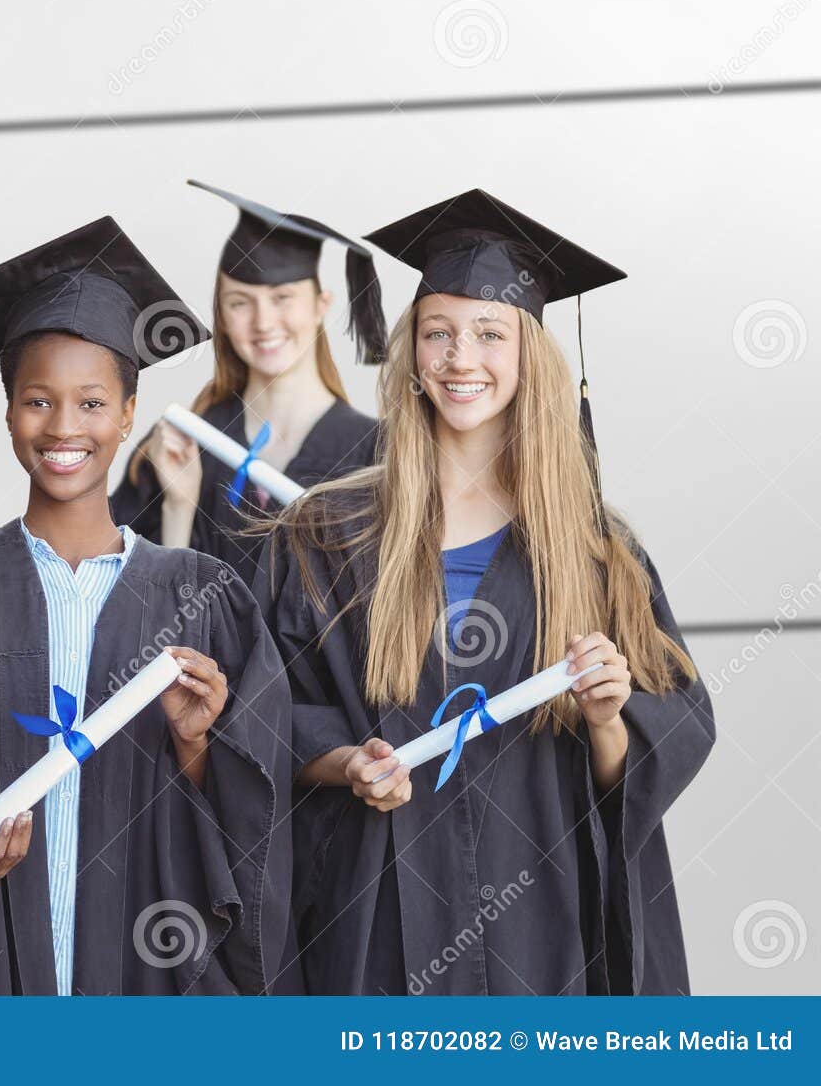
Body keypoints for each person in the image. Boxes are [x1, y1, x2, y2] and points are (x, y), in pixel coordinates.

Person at [255, 189, 714, 994]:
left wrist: (608, 718)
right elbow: (266, 711)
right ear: (412, 353)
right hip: (376, 916)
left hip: (546, 915)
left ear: (530, 354)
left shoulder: (595, 548)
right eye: (439, 333)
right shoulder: (328, 533)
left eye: (489, 333)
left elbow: (672, 727)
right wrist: (343, 762)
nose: (461, 357)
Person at [0, 216, 295, 995]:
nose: (62, 428)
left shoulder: (205, 593)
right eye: (37, 400)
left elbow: (262, 819)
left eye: (90, 403)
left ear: (127, 412)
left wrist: (193, 744)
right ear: (9, 409)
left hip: (149, 975)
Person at [112, 181, 386, 585]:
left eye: (282, 298)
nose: (263, 323)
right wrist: (178, 507)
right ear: (221, 313)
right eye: (240, 302)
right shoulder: (181, 443)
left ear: (321, 306)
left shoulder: (376, 455)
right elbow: (131, 603)